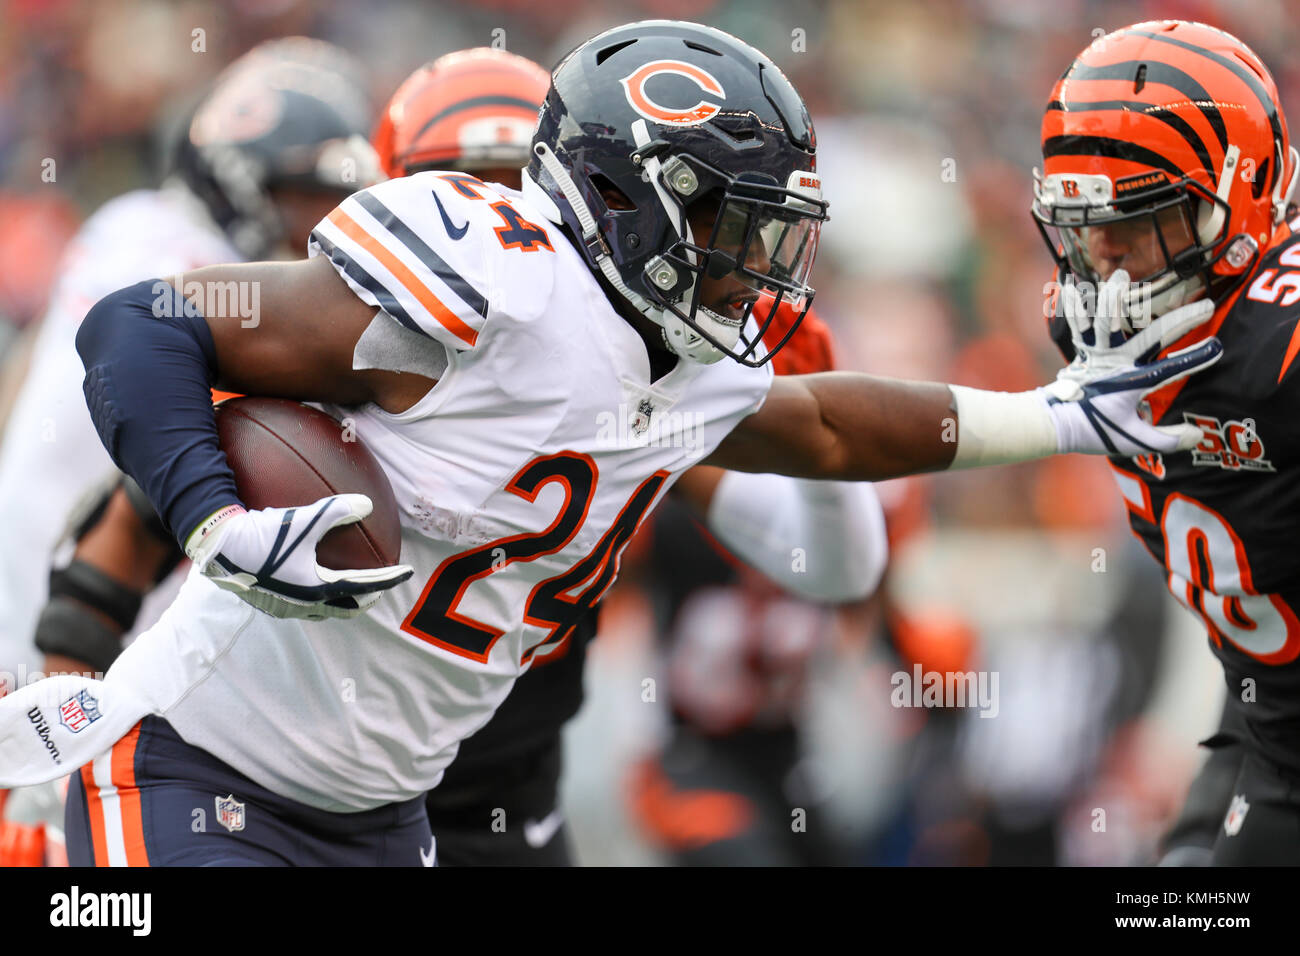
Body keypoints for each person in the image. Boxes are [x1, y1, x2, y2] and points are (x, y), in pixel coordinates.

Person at [0, 20, 1216, 866]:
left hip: (384, 812)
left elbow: (834, 422)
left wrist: (1061, 414)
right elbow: (142, 325)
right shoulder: (494, 270)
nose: (754, 258)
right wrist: (223, 523)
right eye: (727, 215)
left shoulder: (676, 361)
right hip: (204, 769)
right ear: (625, 194)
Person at [0, 36, 380, 866]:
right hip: (62, 653)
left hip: (77, 630)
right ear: (237, 175)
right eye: (304, 198)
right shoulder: (171, 255)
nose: (319, 229)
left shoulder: (133, 232)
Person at [1034, 19, 1300, 865]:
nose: (1106, 266)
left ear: (1240, 198)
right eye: (1087, 230)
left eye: (1138, 226)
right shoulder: (1098, 339)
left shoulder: (1281, 341)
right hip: (1267, 724)